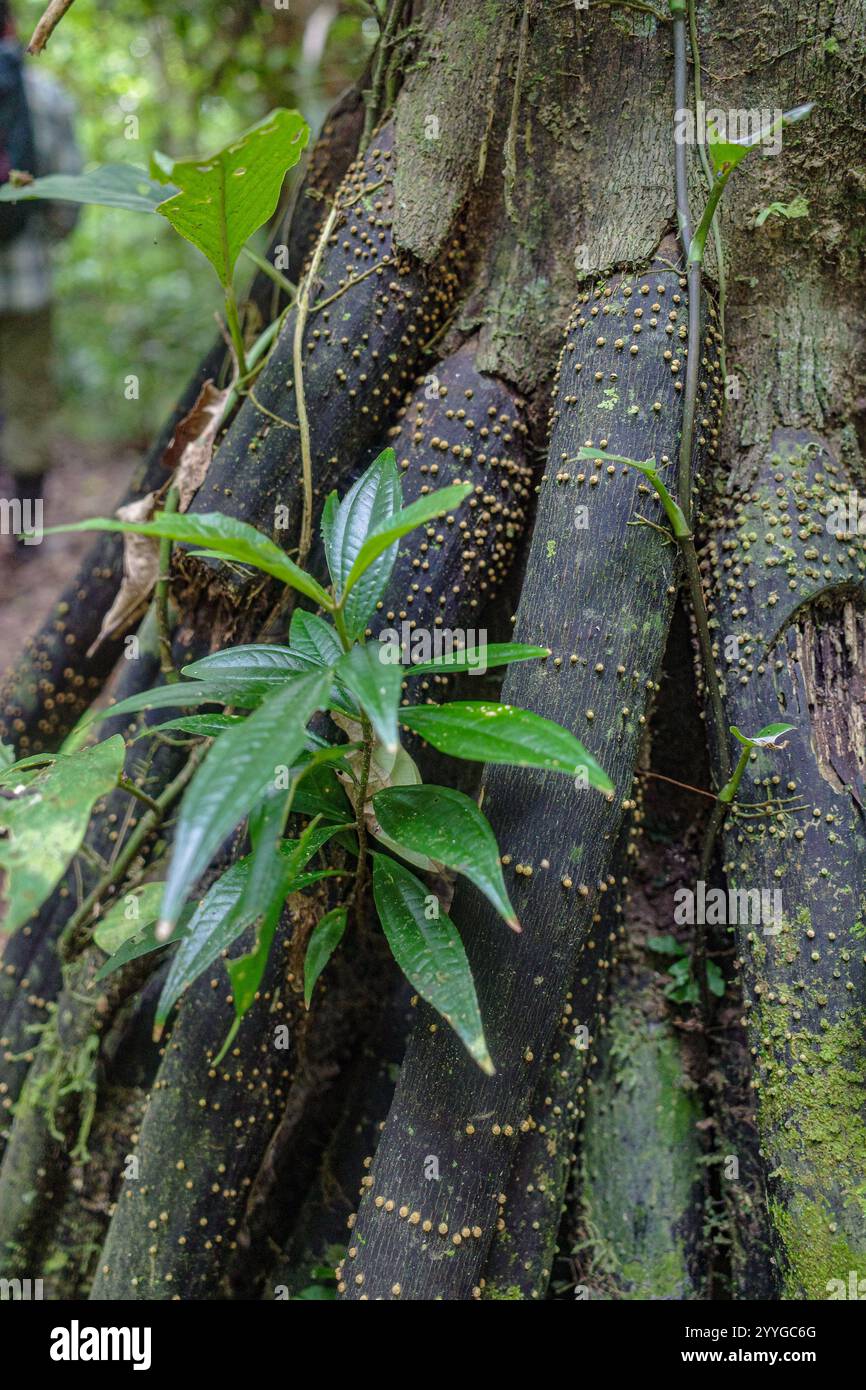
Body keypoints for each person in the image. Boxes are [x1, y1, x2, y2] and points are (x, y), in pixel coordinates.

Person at [0, 0, 81, 561]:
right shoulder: (44, 94)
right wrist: (49, 235)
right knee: (27, 405)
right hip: (27, 281)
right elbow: (69, 193)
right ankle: (24, 537)